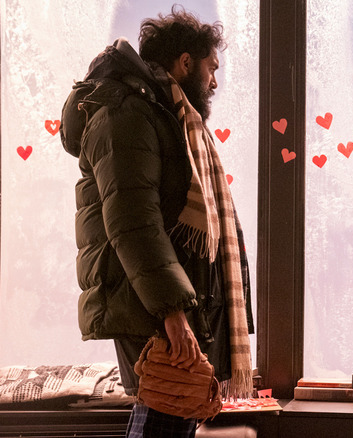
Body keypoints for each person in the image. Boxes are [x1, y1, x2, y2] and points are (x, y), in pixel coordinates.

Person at [60, 6, 253, 437]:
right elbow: (133, 221)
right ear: (185, 63)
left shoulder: (161, 112)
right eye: (211, 67)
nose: (215, 81)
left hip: (164, 300)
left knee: (170, 416)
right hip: (155, 306)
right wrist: (172, 310)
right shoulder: (127, 111)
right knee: (166, 415)